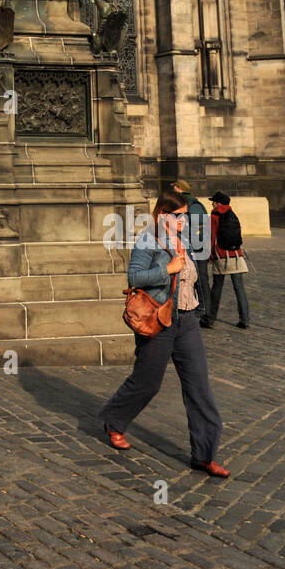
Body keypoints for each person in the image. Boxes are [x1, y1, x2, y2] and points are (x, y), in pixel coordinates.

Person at [99, 190, 229, 478]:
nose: (185, 220)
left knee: (199, 388)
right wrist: (166, 268)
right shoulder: (148, 240)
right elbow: (134, 277)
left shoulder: (183, 240)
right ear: (163, 215)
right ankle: (114, 420)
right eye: (180, 215)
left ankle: (204, 455)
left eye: (186, 215)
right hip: (160, 321)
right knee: (147, 383)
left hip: (188, 321)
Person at [171, 177, 213, 327]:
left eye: (174, 188)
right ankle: (207, 315)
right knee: (203, 281)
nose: (173, 191)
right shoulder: (199, 205)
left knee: (187, 279)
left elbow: (183, 228)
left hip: (189, 248)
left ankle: (190, 311)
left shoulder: (181, 204)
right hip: (201, 248)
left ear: (179, 189)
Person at [206, 191, 250, 329]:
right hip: (236, 255)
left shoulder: (215, 214)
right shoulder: (232, 214)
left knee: (217, 288)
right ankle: (245, 319)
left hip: (221, 255)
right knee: (239, 288)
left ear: (218, 203)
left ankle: (210, 319)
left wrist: (209, 255)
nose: (212, 203)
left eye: (213, 201)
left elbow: (211, 237)